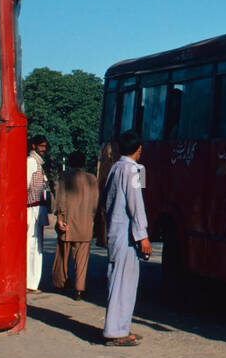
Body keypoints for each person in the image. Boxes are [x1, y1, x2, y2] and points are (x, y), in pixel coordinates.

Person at [99, 130, 151, 346]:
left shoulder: (115, 168)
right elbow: (136, 205)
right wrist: (143, 236)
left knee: (118, 281)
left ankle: (120, 327)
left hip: (115, 231)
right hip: (127, 235)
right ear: (139, 150)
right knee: (124, 283)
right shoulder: (131, 171)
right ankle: (116, 331)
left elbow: (105, 200)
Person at [51, 151, 97, 298]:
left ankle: (61, 282)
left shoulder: (65, 177)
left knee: (63, 256)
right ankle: (79, 288)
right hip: (85, 225)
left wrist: (60, 217)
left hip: (67, 223)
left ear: (70, 162)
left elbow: (60, 199)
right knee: (82, 260)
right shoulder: (92, 179)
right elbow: (95, 203)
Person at [25, 135, 49, 291]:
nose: (44, 149)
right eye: (41, 146)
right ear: (34, 146)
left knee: (37, 247)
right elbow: (26, 186)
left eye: (45, 146)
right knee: (30, 246)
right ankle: (28, 282)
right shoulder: (30, 162)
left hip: (38, 208)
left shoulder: (38, 163)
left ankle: (33, 282)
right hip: (31, 208)